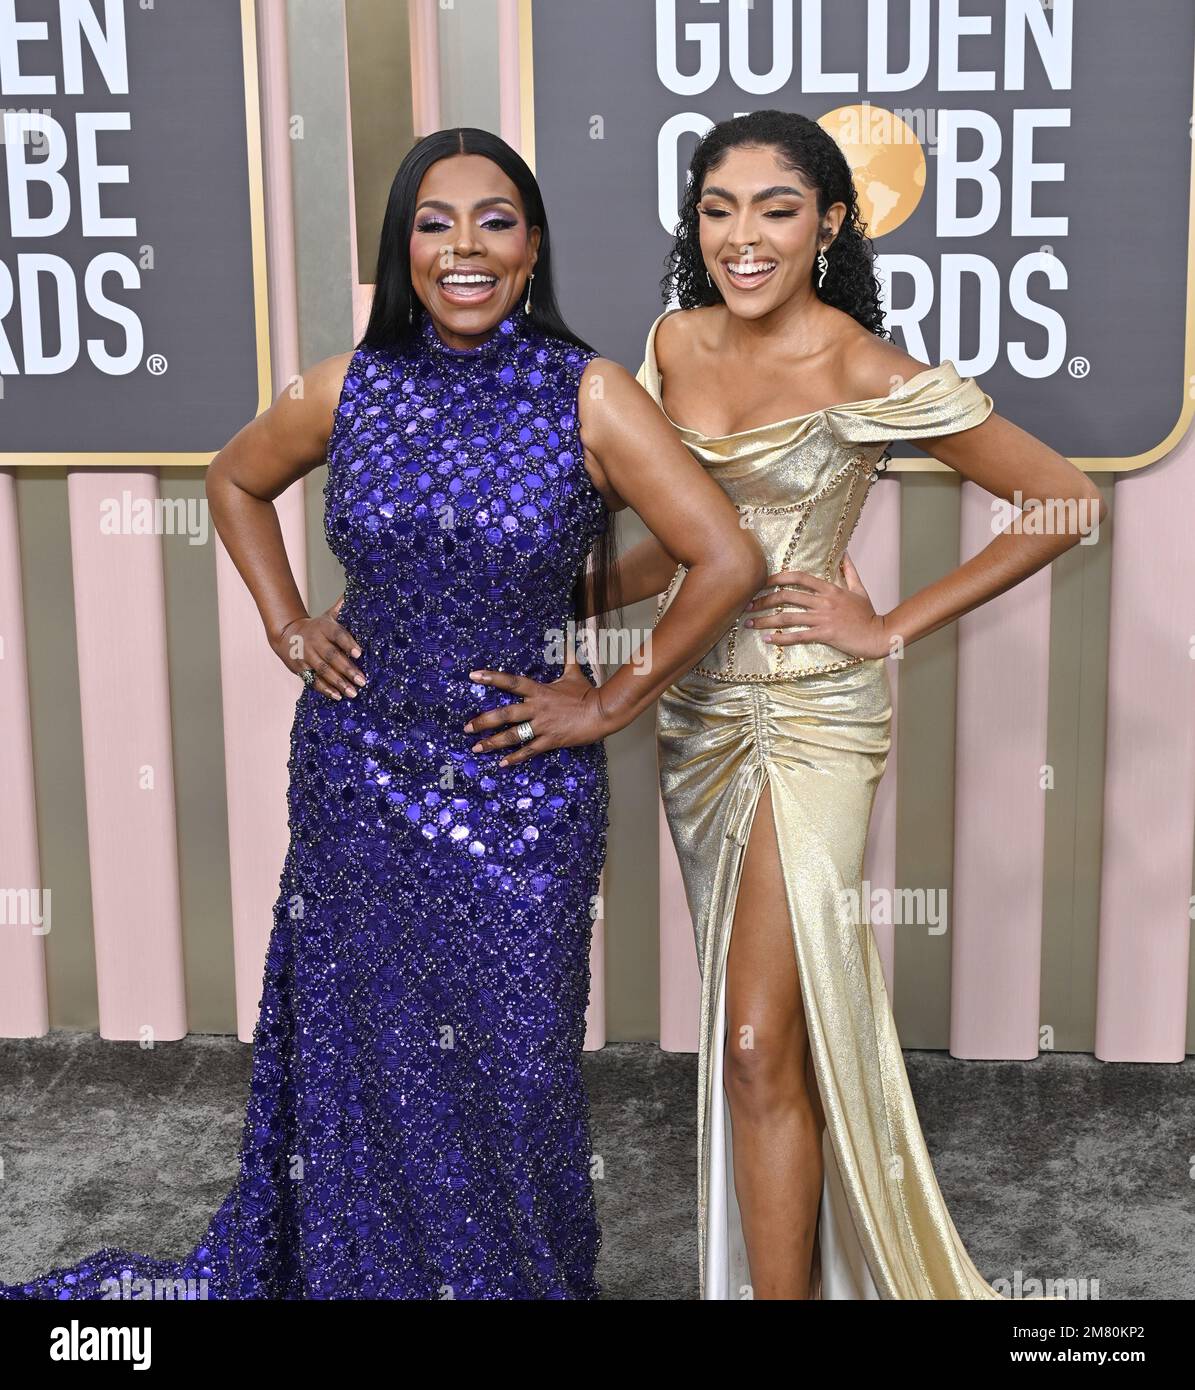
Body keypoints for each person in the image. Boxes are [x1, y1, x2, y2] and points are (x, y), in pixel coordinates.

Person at [0, 128, 762, 1301]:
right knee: (368, 1057)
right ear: (400, 246)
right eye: (433, 222)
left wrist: (610, 695)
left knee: (514, 1068)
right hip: (359, 772)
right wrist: (287, 622)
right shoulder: (344, 387)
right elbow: (236, 479)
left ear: (532, 244)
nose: (464, 247)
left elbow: (723, 554)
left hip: (519, 788)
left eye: (493, 220)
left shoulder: (590, 391)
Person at [613, 110, 1104, 1299]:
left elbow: (1058, 501)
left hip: (809, 716)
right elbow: (672, 551)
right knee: (767, 1040)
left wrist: (885, 628)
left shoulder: (860, 366)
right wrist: (519, 605)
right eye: (718, 208)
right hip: (697, 718)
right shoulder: (671, 344)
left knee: (746, 1041)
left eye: (776, 209)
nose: (742, 237)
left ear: (830, 222)